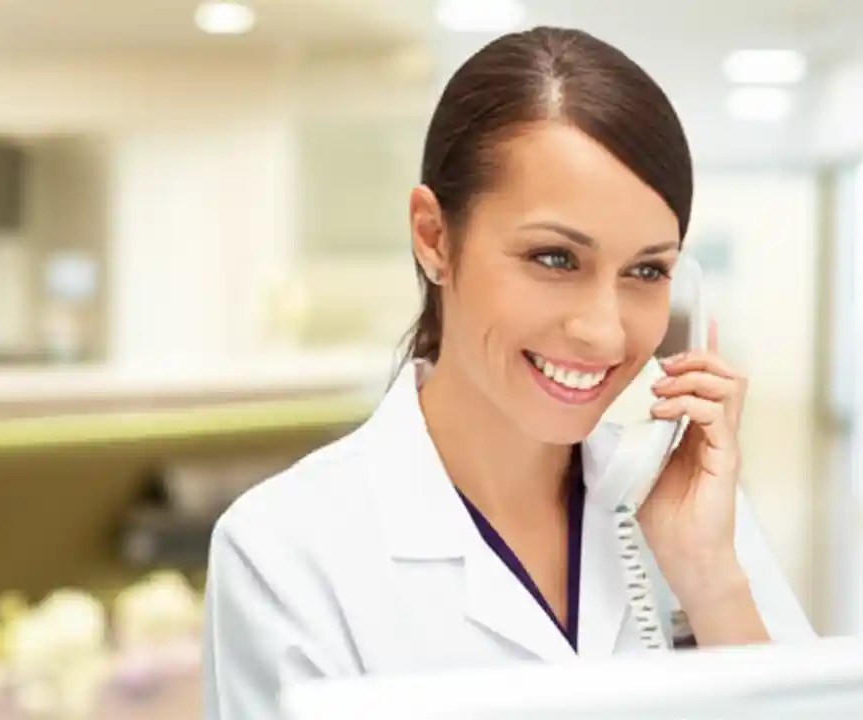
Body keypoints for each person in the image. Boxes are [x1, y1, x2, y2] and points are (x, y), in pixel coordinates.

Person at [203, 27, 813, 719]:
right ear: (434, 237)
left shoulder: (694, 514)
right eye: (555, 258)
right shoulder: (284, 552)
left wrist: (709, 579)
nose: (606, 331)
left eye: (647, 270)